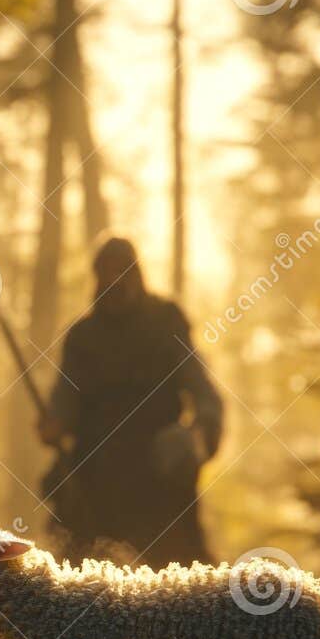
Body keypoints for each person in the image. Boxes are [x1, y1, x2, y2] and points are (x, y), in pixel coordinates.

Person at [39, 236, 223, 568]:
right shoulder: (82, 338)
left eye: (122, 272)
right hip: (96, 485)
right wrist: (54, 423)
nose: (114, 282)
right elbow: (63, 402)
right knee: (86, 578)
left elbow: (204, 394)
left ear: (137, 275)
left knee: (176, 578)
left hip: (160, 484)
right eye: (106, 274)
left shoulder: (166, 322)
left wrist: (195, 439)